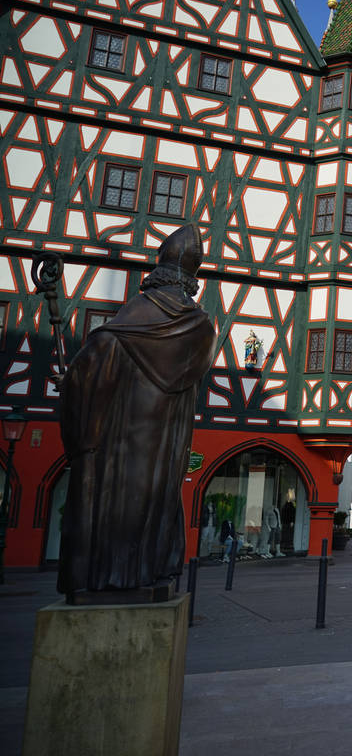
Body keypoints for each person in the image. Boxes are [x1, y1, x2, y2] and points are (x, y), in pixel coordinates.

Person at [57, 225, 216, 601]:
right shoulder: (201, 328)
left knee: (112, 503)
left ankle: (105, 578)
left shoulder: (136, 315)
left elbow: (97, 360)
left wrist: (73, 381)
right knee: (154, 500)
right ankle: (148, 571)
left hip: (118, 438)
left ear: (159, 268)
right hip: (164, 442)